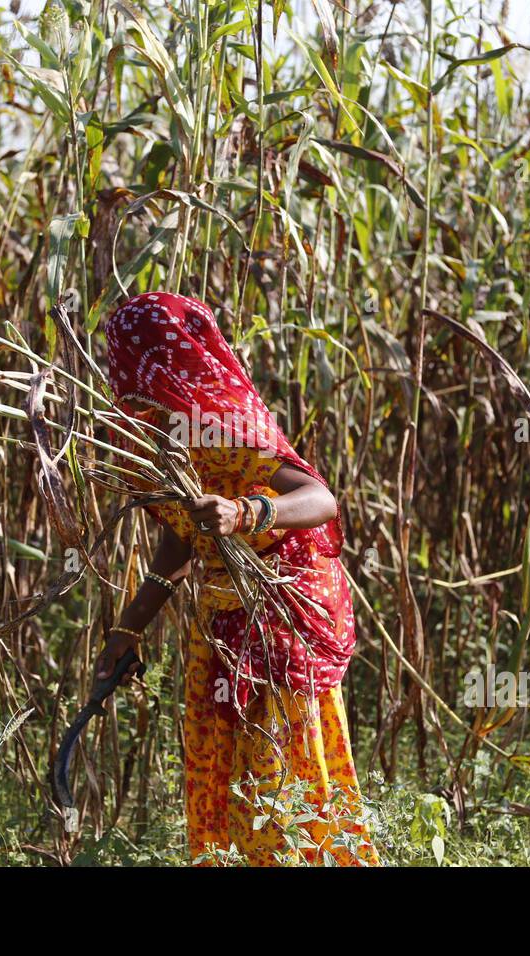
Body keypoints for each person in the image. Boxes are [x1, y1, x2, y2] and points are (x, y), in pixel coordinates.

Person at [97, 290, 378, 866]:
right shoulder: (161, 433)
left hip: (279, 620)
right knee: (223, 768)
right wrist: (128, 630)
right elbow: (183, 536)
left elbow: (319, 499)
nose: (123, 372)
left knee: (279, 768)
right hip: (221, 620)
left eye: (132, 356)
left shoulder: (224, 420)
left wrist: (247, 512)